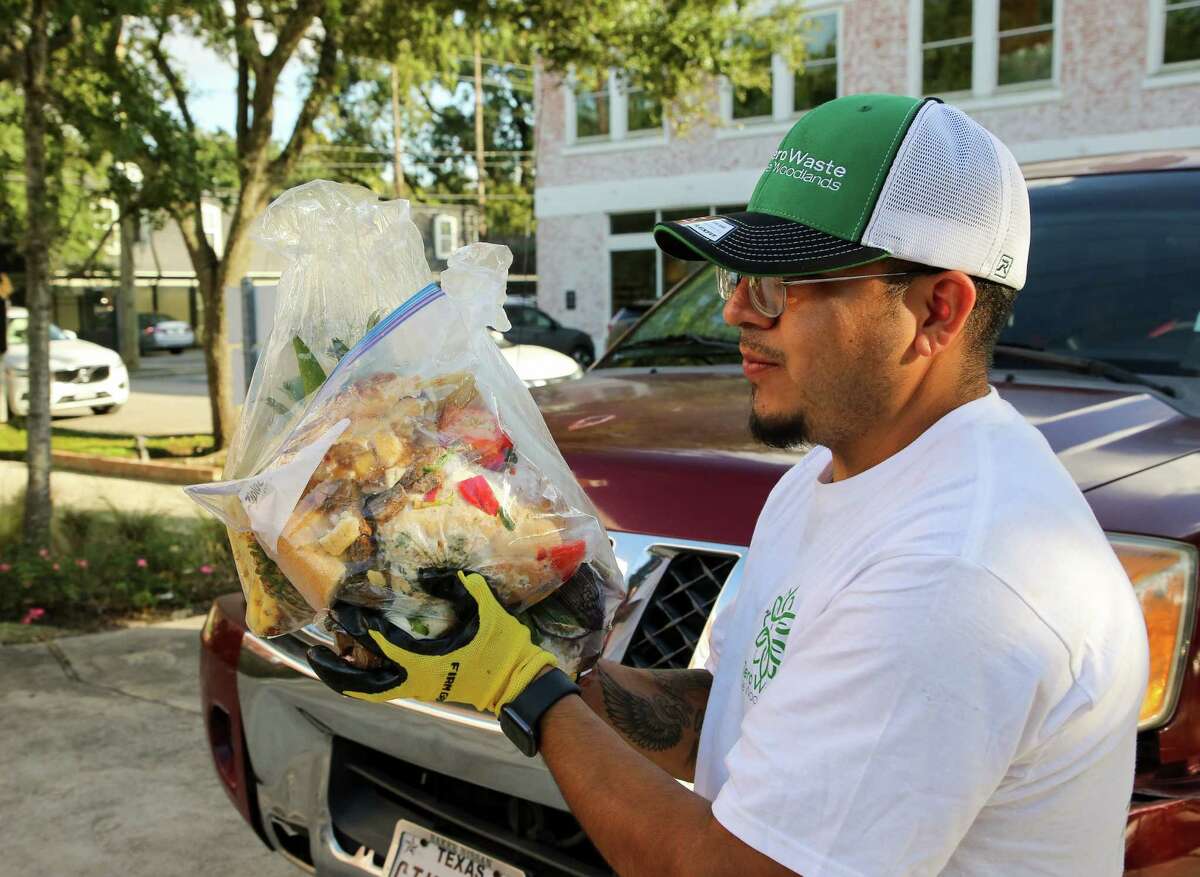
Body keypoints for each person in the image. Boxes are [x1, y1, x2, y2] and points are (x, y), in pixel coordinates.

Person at [308, 94, 1150, 876]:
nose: (736, 311)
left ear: (938, 310)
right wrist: (535, 658)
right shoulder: (827, 477)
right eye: (735, 276)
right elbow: (738, 715)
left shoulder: (956, 571)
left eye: (779, 286)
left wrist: (522, 691)